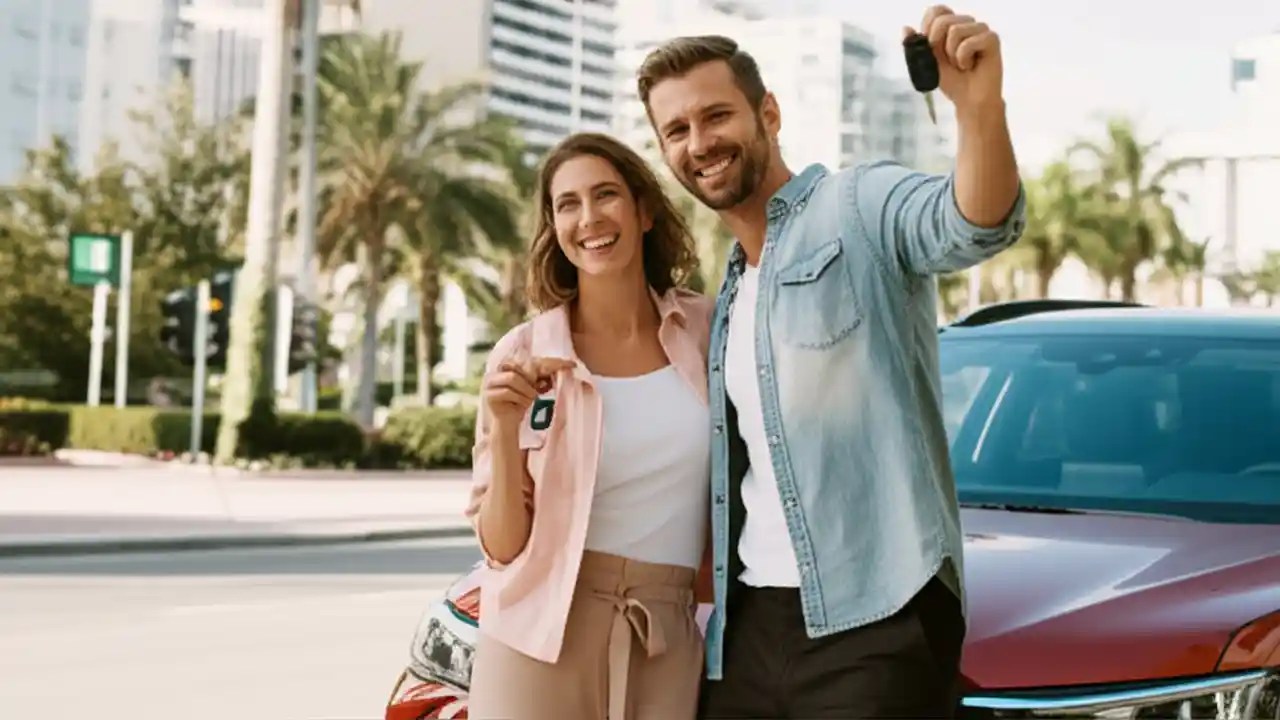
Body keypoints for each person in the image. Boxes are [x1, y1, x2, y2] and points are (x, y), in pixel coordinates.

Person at [635, 6, 1027, 718]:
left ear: (769, 113)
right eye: (677, 131)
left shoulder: (858, 205)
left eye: (716, 115)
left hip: (875, 618)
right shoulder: (726, 296)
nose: (700, 142)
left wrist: (979, 110)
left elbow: (973, 221)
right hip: (746, 631)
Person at [464, 131, 716, 720]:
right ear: (553, 227)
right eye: (567, 204)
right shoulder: (523, 353)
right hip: (539, 633)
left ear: (644, 210)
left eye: (605, 195)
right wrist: (502, 434)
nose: (589, 218)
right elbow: (502, 547)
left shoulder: (705, 329)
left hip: (666, 634)